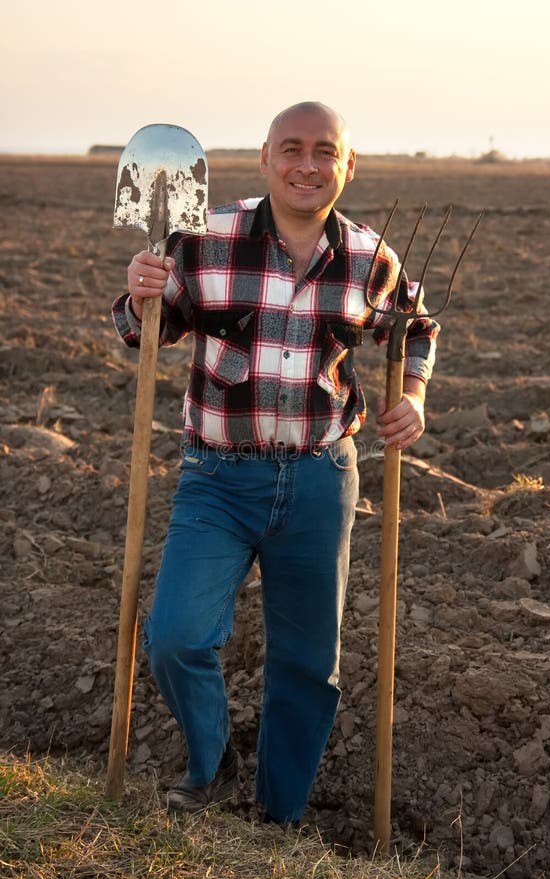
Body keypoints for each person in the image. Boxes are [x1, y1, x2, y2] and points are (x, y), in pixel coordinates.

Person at [112, 101, 440, 825]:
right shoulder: (206, 239)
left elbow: (415, 327)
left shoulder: (369, 259)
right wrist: (140, 295)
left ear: (347, 167)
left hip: (322, 479)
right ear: (265, 159)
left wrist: (412, 393)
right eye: (291, 149)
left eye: (326, 151)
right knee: (175, 636)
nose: (307, 165)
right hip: (217, 479)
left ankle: (279, 817)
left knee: (306, 663)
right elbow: (140, 333)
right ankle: (213, 765)